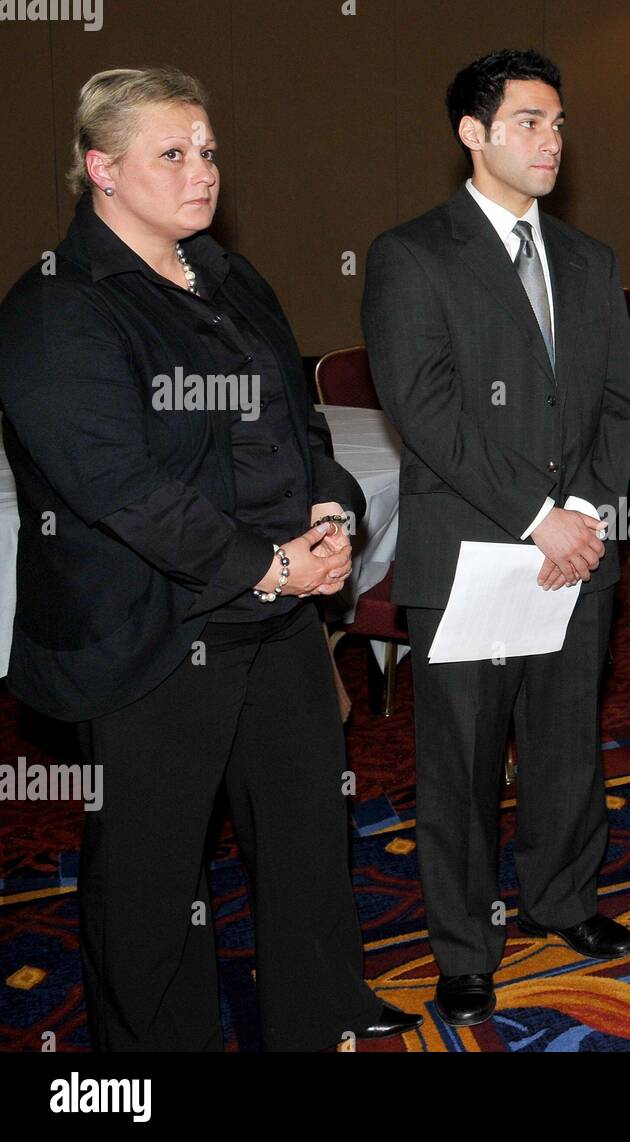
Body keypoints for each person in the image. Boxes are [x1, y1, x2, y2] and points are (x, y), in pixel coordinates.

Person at [0, 67, 420, 1050]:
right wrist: (273, 567)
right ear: (102, 169)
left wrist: (330, 512)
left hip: (271, 615)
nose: (203, 172)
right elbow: (123, 491)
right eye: (173, 154)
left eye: (209, 150)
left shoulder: (228, 276)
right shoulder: (59, 310)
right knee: (151, 871)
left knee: (304, 826)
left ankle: (320, 1011)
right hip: (156, 623)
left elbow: (298, 424)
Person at [362, 49, 630, 1027]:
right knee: (463, 762)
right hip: (475, 553)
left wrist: (591, 514)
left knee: (568, 744)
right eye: (528, 121)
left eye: (559, 123)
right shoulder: (412, 253)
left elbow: (621, 402)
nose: (550, 141)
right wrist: (539, 517)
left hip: (579, 557)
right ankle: (463, 945)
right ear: (471, 134)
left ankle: (564, 899)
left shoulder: (590, 259)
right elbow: (427, 411)